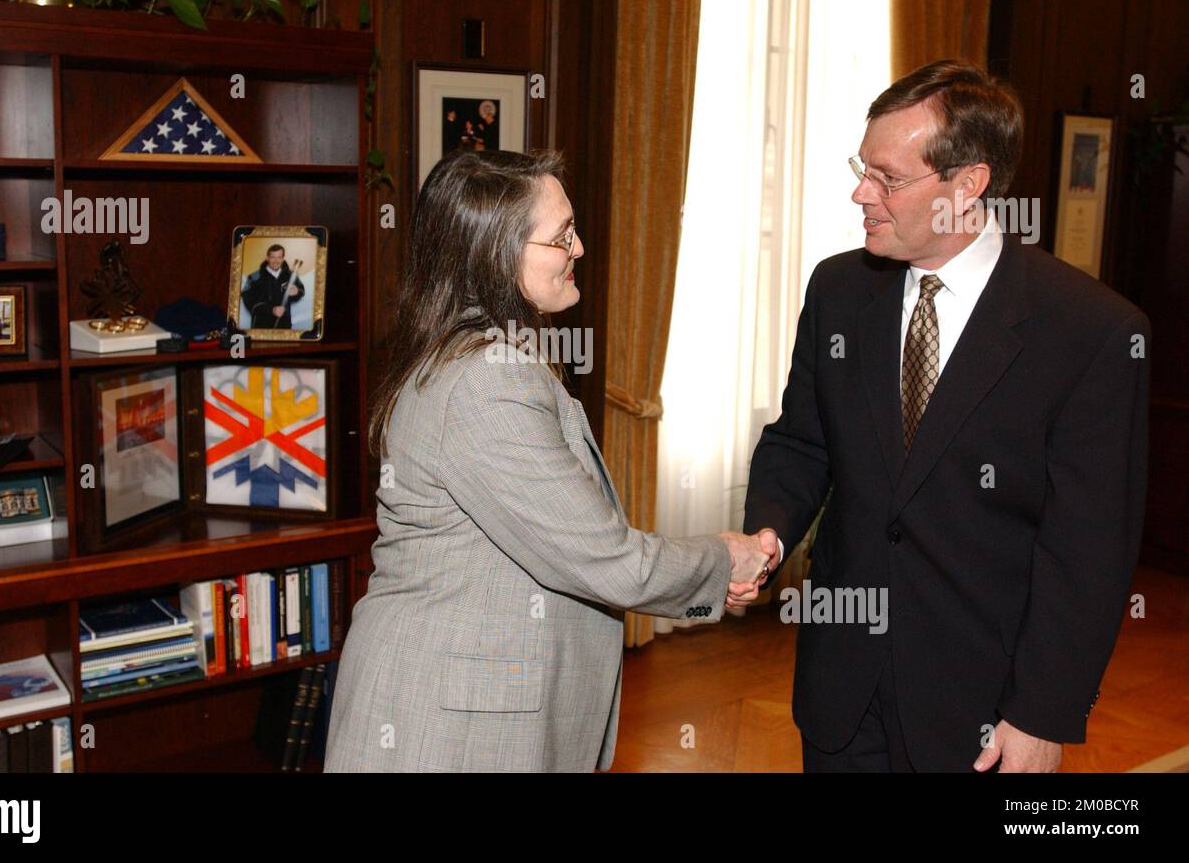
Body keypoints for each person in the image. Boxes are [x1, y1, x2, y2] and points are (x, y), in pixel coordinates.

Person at [734, 60, 1150, 772]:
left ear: (968, 186)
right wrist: (767, 535)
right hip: (841, 694)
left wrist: (1042, 711)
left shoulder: (1090, 332)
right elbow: (802, 442)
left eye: (888, 178)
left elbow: (1088, 550)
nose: (861, 192)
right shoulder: (838, 290)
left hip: (983, 713)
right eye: (862, 167)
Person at [325, 149, 770, 772]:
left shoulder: (475, 354)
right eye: (561, 236)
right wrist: (727, 560)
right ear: (496, 254)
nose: (580, 247)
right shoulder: (487, 382)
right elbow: (604, 559)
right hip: (446, 724)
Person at [241, 244, 304, 328]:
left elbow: (301, 291)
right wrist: (271, 310)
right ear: (267, 258)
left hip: (284, 325)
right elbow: (247, 300)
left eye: (279, 257)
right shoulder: (254, 277)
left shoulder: (291, 275)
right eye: (272, 257)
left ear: (283, 258)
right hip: (261, 325)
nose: (276, 261)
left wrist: (297, 292)